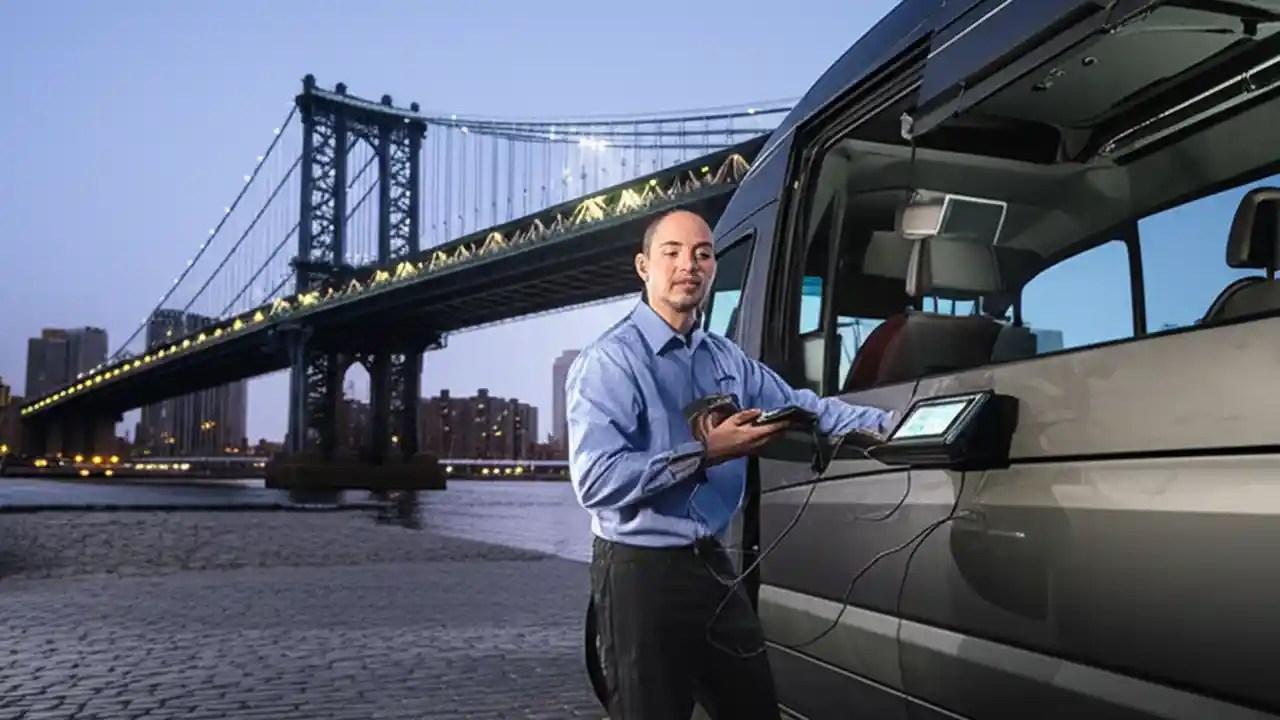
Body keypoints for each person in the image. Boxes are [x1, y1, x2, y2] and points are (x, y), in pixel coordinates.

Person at [565, 209, 894, 719]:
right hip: (637, 571)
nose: (688, 265)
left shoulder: (726, 359)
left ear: (714, 268)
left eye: (702, 254)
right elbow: (596, 481)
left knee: (753, 706)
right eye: (672, 252)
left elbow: (806, 407)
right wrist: (706, 452)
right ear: (643, 267)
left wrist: (895, 425)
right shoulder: (610, 361)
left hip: (710, 563)